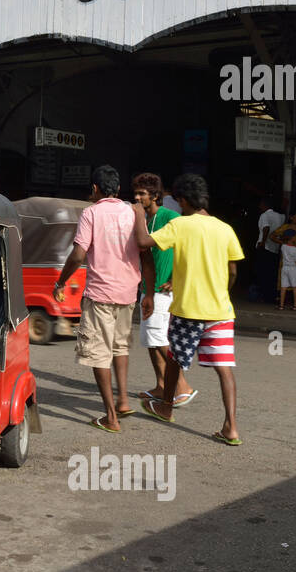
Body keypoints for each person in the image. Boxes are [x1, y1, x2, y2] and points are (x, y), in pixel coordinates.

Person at [131, 173, 246, 446]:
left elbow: (143, 243)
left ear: (182, 200)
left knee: (174, 359)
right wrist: (222, 293)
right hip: (220, 311)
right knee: (225, 369)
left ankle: (166, 407)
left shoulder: (181, 225)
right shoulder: (225, 228)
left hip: (187, 310)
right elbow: (232, 270)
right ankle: (231, 427)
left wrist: (137, 214)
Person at [56, 165, 148, 434]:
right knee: (120, 347)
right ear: (118, 190)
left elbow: (78, 254)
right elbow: (144, 249)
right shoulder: (132, 211)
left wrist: (61, 281)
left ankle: (110, 417)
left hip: (101, 294)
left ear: (94, 189)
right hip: (128, 292)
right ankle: (122, 401)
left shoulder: (91, 213)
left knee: (98, 353)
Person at [131, 172, 195, 406]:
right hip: (147, 288)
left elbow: (188, 249)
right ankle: (161, 385)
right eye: (136, 193)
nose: (137, 198)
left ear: (155, 196)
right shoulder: (143, 220)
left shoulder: (170, 216)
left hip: (162, 290)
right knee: (149, 341)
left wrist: (176, 279)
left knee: (159, 339)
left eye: (142, 194)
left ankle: (182, 386)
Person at [255, 195, 284, 304]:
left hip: (265, 248)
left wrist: (262, 242)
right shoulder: (280, 217)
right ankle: (271, 296)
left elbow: (266, 228)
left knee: (263, 273)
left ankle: (264, 296)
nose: (259, 206)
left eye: (261, 204)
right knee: (272, 274)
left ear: (265, 205)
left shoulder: (264, 215)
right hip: (275, 248)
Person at [277, 229, 296, 310]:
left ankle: (281, 305)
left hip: (284, 268)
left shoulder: (283, 247)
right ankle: (295, 306)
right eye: (295, 236)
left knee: (283, 287)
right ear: (291, 238)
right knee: (295, 287)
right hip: (293, 269)